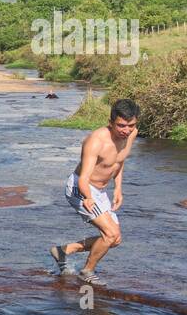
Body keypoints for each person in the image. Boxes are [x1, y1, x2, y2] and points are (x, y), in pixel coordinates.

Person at [50, 99, 139, 285]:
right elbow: (83, 177)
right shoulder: (95, 141)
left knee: (114, 239)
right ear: (110, 122)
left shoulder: (131, 134)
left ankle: (64, 250)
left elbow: (119, 161)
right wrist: (88, 197)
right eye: (121, 125)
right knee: (110, 234)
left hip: (100, 190)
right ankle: (87, 271)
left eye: (131, 125)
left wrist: (118, 188)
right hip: (80, 189)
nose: (126, 130)